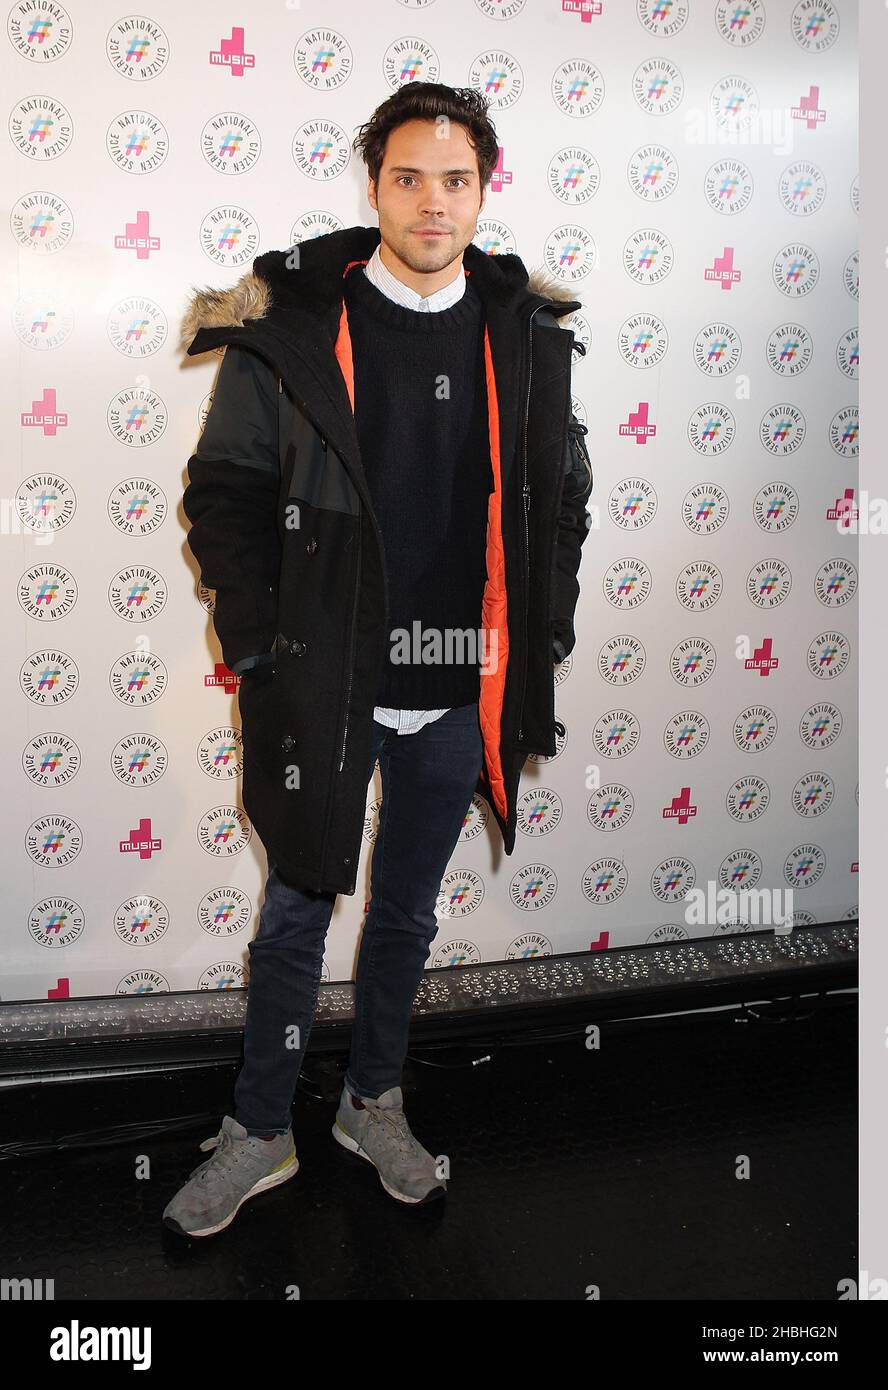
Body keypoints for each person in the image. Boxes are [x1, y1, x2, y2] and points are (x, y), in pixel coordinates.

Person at [163, 82, 592, 1237]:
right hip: (326, 680)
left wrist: (536, 633)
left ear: (483, 188)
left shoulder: (525, 333)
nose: (432, 201)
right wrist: (258, 645)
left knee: (405, 912)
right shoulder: (297, 328)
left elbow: (562, 498)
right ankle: (260, 1130)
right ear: (375, 184)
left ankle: (372, 1102)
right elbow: (225, 496)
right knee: (296, 914)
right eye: (408, 176)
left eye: (456, 179)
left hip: (460, 680)